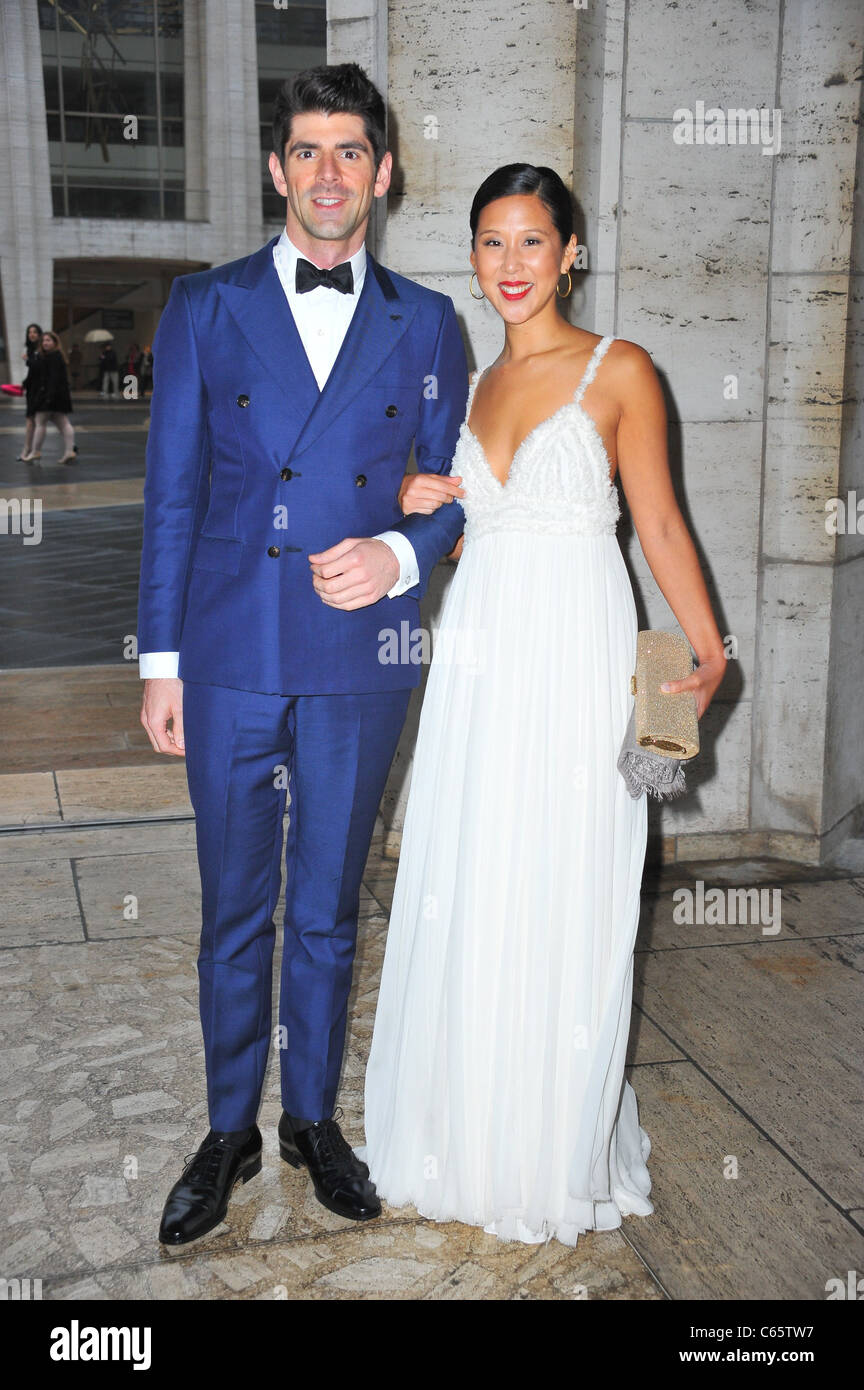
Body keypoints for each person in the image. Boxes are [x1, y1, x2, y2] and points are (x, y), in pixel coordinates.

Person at [361, 163, 727, 1247]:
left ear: (570, 252)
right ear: (472, 256)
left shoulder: (622, 369)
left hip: (580, 652)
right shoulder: (468, 386)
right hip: (480, 660)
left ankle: (549, 1141)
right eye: (492, 242)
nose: (510, 263)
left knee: (571, 876)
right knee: (479, 874)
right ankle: (467, 1128)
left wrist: (708, 650)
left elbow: (659, 525)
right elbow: (466, 532)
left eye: (532, 241)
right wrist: (417, 498)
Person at [137, 62, 468, 1247]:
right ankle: (229, 1127)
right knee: (235, 906)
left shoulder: (430, 322)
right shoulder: (203, 305)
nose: (330, 174)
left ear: (384, 172)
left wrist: (398, 553)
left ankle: (311, 1119)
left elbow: (453, 494)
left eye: (351, 152)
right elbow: (172, 493)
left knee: (326, 906)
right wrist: (160, 661)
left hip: (358, 652)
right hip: (229, 649)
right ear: (279, 170)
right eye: (308, 152)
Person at [21, 330, 77, 464]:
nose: (45, 343)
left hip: (50, 395)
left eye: (48, 340)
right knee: (63, 423)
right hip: (59, 396)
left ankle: (35, 451)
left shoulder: (53, 357)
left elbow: (53, 379)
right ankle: (69, 451)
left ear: (55, 342)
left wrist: (47, 397)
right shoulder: (56, 356)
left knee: (40, 422)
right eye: (43, 341)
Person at [17, 323, 42, 460]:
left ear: (39, 334)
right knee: (33, 420)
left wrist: (27, 360)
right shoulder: (31, 349)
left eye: (34, 332)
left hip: (40, 389)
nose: (32, 334)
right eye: (29, 332)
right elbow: (33, 371)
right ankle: (29, 450)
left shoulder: (40, 349)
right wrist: (25, 383)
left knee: (37, 420)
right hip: (33, 388)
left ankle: (29, 450)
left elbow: (37, 367)